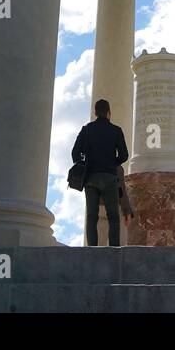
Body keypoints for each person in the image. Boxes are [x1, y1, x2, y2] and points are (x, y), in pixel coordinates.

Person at [71, 99, 129, 247]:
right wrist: (112, 163)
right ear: (109, 113)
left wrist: (85, 162)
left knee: (91, 217)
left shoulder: (87, 129)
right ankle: (114, 249)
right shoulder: (116, 130)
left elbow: (74, 153)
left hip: (91, 177)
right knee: (113, 217)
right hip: (110, 177)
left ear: (95, 112)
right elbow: (124, 155)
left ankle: (92, 249)